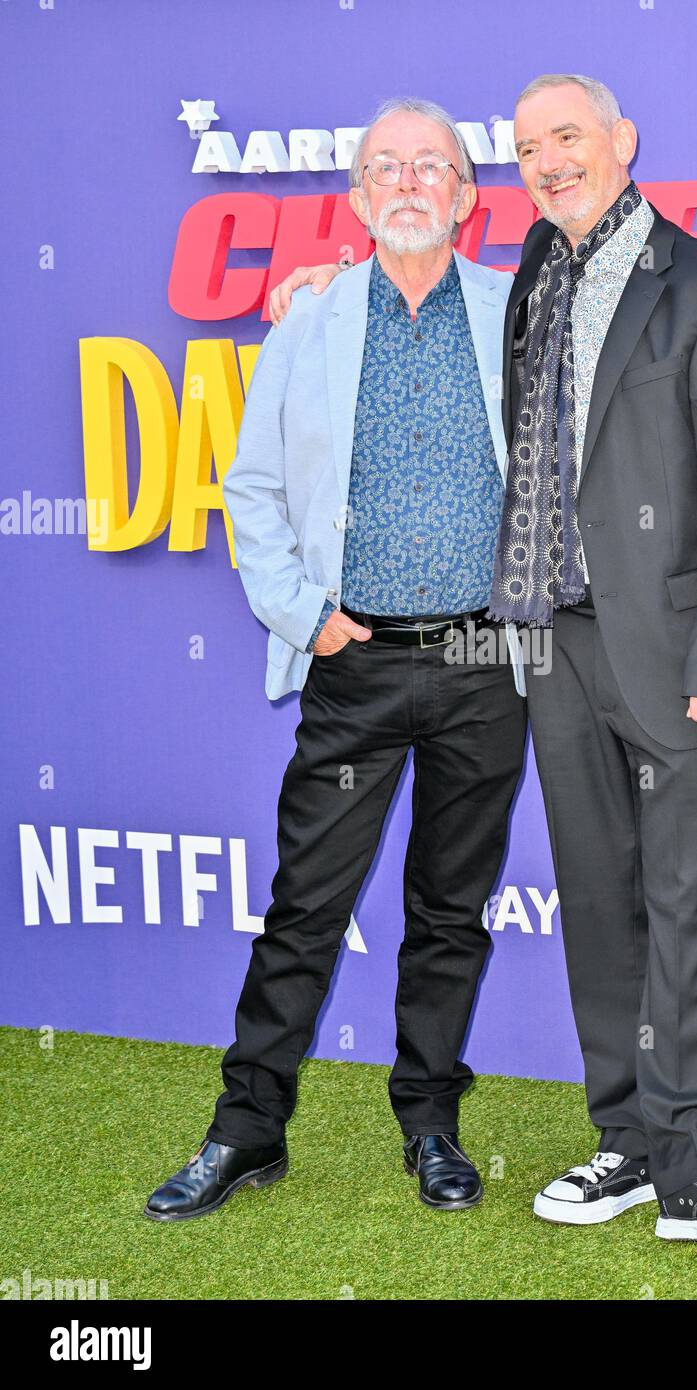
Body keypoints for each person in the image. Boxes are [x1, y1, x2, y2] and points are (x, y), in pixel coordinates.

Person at [270, 73, 697, 1245]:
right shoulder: (532, 287)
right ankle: (624, 1136)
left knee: (692, 903)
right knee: (604, 904)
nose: (547, 159)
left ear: (622, 141)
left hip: (682, 658)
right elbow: (410, 307)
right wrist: (313, 296)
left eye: (568, 136)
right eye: (526, 147)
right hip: (554, 652)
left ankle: (695, 1157)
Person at [144, 98, 527, 1223]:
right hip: (353, 664)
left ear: (466, 197)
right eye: (385, 169)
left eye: (432, 168)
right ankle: (245, 1130)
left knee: (451, 910)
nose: (409, 183)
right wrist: (301, 612)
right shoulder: (307, 320)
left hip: (481, 662)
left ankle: (432, 1128)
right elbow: (251, 486)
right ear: (359, 198)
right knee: (304, 905)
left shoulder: (515, 316)